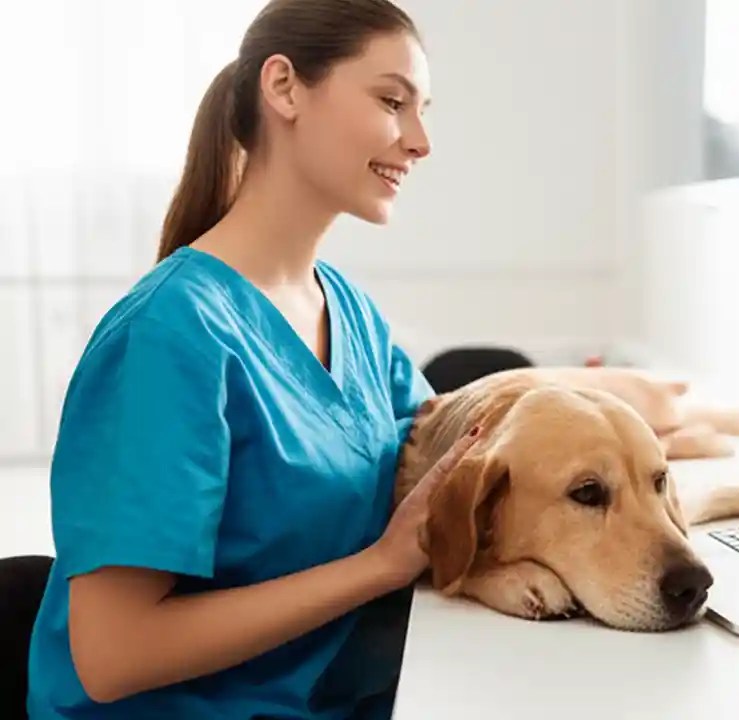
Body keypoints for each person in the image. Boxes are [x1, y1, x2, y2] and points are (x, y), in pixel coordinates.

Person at [24, 1, 478, 717]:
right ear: (285, 87)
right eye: (393, 102)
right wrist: (377, 568)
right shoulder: (169, 337)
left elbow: (450, 441)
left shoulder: (348, 313)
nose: (419, 141)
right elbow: (113, 655)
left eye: (423, 110)